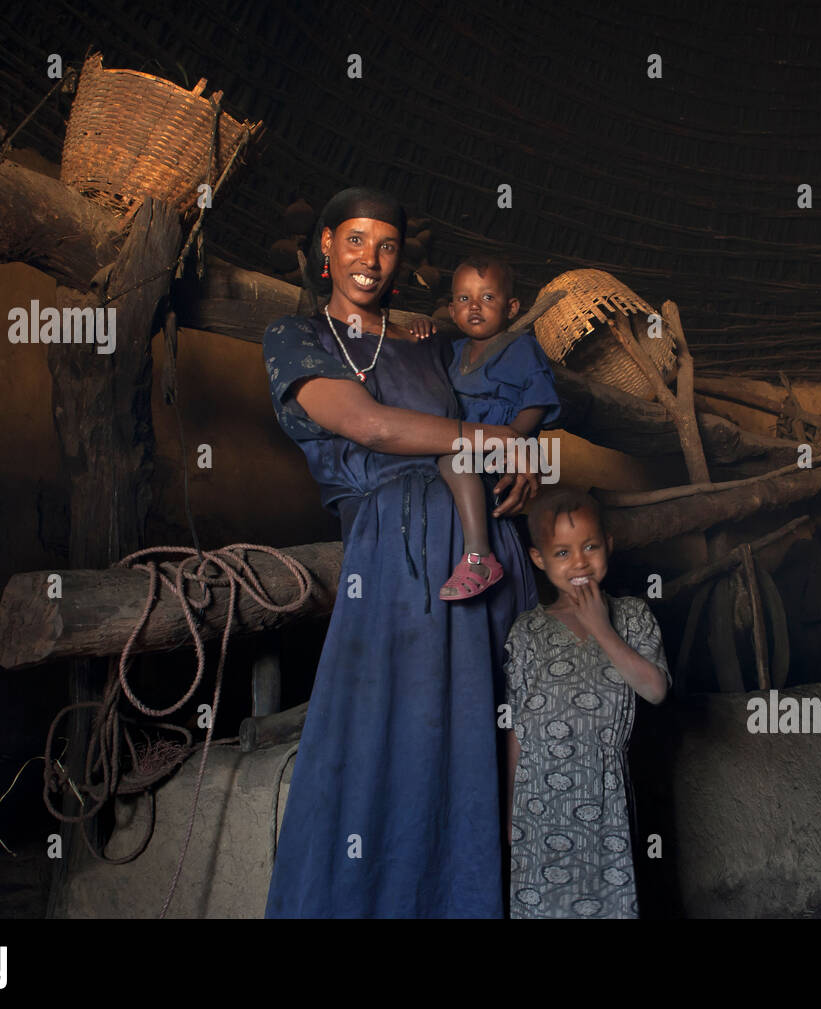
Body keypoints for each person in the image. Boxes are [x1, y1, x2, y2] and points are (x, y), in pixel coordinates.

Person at [260, 187, 540, 917]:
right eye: (355, 240)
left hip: (489, 553)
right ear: (326, 246)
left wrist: (522, 449)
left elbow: (498, 401)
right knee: (408, 742)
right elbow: (374, 427)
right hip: (399, 555)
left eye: (386, 246)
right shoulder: (295, 338)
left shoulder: (430, 341)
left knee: (494, 741)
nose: (370, 259)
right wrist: (496, 442)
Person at [504, 487, 670, 918]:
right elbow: (515, 729)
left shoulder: (632, 615)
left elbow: (654, 689)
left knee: (610, 902)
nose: (579, 561)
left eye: (590, 546)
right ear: (539, 559)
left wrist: (601, 627)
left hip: (604, 790)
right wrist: (507, 806)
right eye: (562, 552)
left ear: (608, 545)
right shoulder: (526, 631)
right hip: (536, 800)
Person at [410, 256, 561, 602]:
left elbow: (536, 401)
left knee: (451, 460)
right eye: (463, 299)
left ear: (511, 307)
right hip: (466, 443)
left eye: (487, 298)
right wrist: (420, 325)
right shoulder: (454, 351)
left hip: (502, 451)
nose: (474, 306)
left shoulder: (522, 347)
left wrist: (514, 442)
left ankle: (480, 557)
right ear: (450, 309)